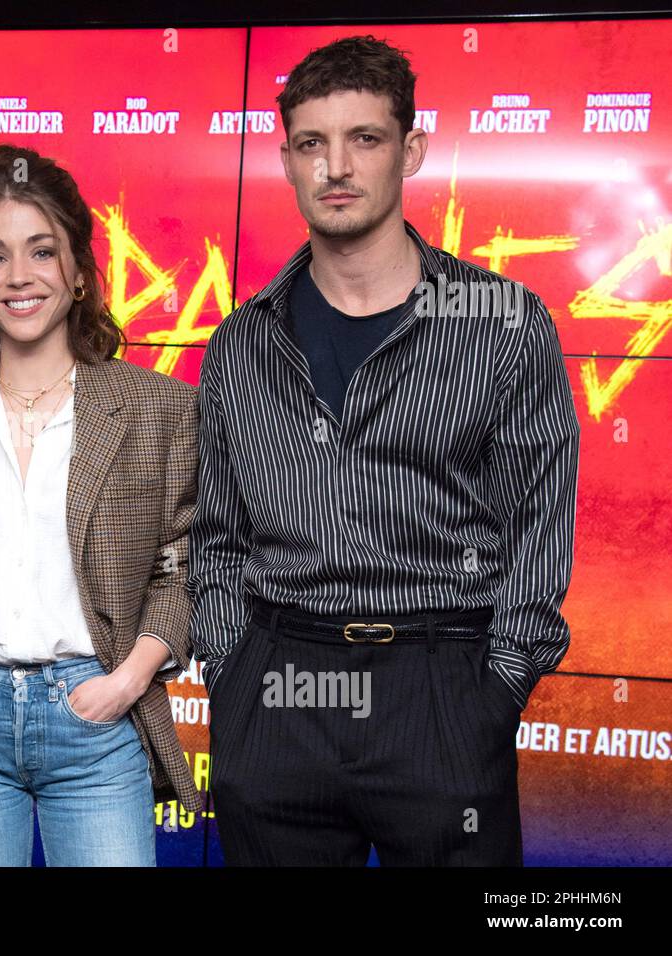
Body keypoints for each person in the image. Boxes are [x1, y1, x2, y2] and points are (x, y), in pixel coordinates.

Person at [190, 35, 580, 866]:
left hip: (440, 685)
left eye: (364, 139)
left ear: (411, 150)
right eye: (311, 144)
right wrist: (232, 672)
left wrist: (494, 691)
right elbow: (217, 538)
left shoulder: (506, 323)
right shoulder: (240, 343)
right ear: (288, 160)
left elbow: (538, 534)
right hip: (279, 685)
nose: (336, 166)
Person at [0, 144, 202, 866]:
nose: (19, 277)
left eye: (41, 251)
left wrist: (128, 680)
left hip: (96, 715)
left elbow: (181, 571)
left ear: (78, 270)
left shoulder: (160, 409)